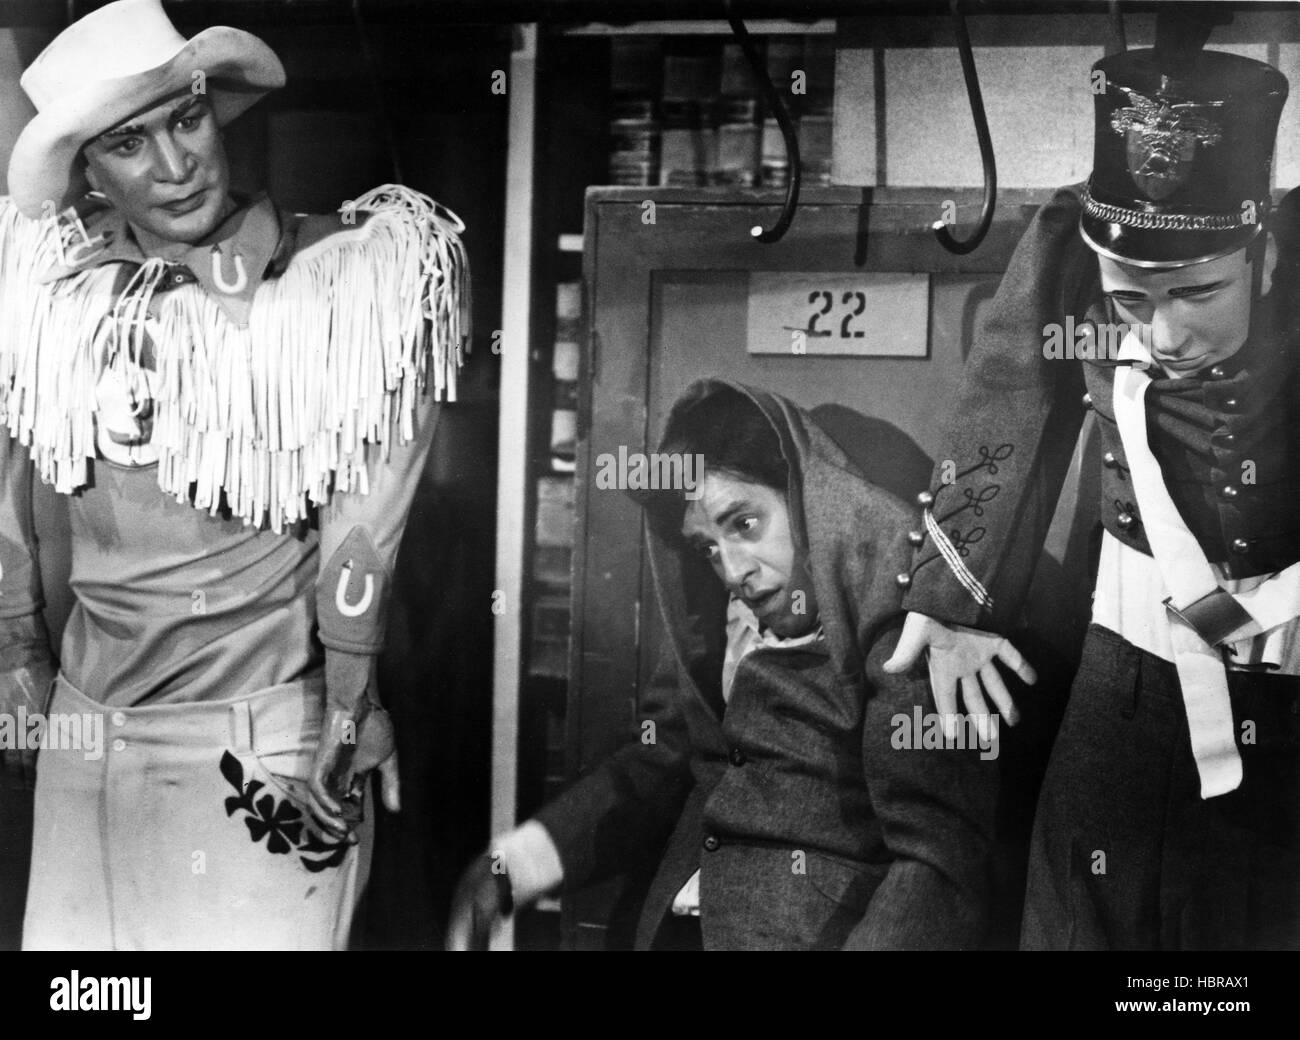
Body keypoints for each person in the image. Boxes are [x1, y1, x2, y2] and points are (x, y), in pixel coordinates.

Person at [0, 0, 469, 949]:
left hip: (265, 748)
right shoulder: (54, 298)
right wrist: (16, 646)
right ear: (89, 168)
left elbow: (365, 516)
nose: (175, 166)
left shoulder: (347, 278)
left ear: (216, 111)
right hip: (84, 741)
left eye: (185, 120)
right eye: (128, 145)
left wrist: (350, 696)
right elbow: (13, 465)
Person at [886, 32, 1300, 949]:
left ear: (1264, 258)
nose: (1165, 333)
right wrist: (955, 604)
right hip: (1127, 702)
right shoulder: (1072, 257)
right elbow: (1005, 399)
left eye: (1197, 292)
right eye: (1134, 302)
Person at [448, 379, 998, 951]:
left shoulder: (904, 640)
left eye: (744, 524)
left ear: (809, 501)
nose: (733, 570)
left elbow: (936, 860)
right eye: (707, 548)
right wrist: (508, 868)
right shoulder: (721, 630)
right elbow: (654, 765)